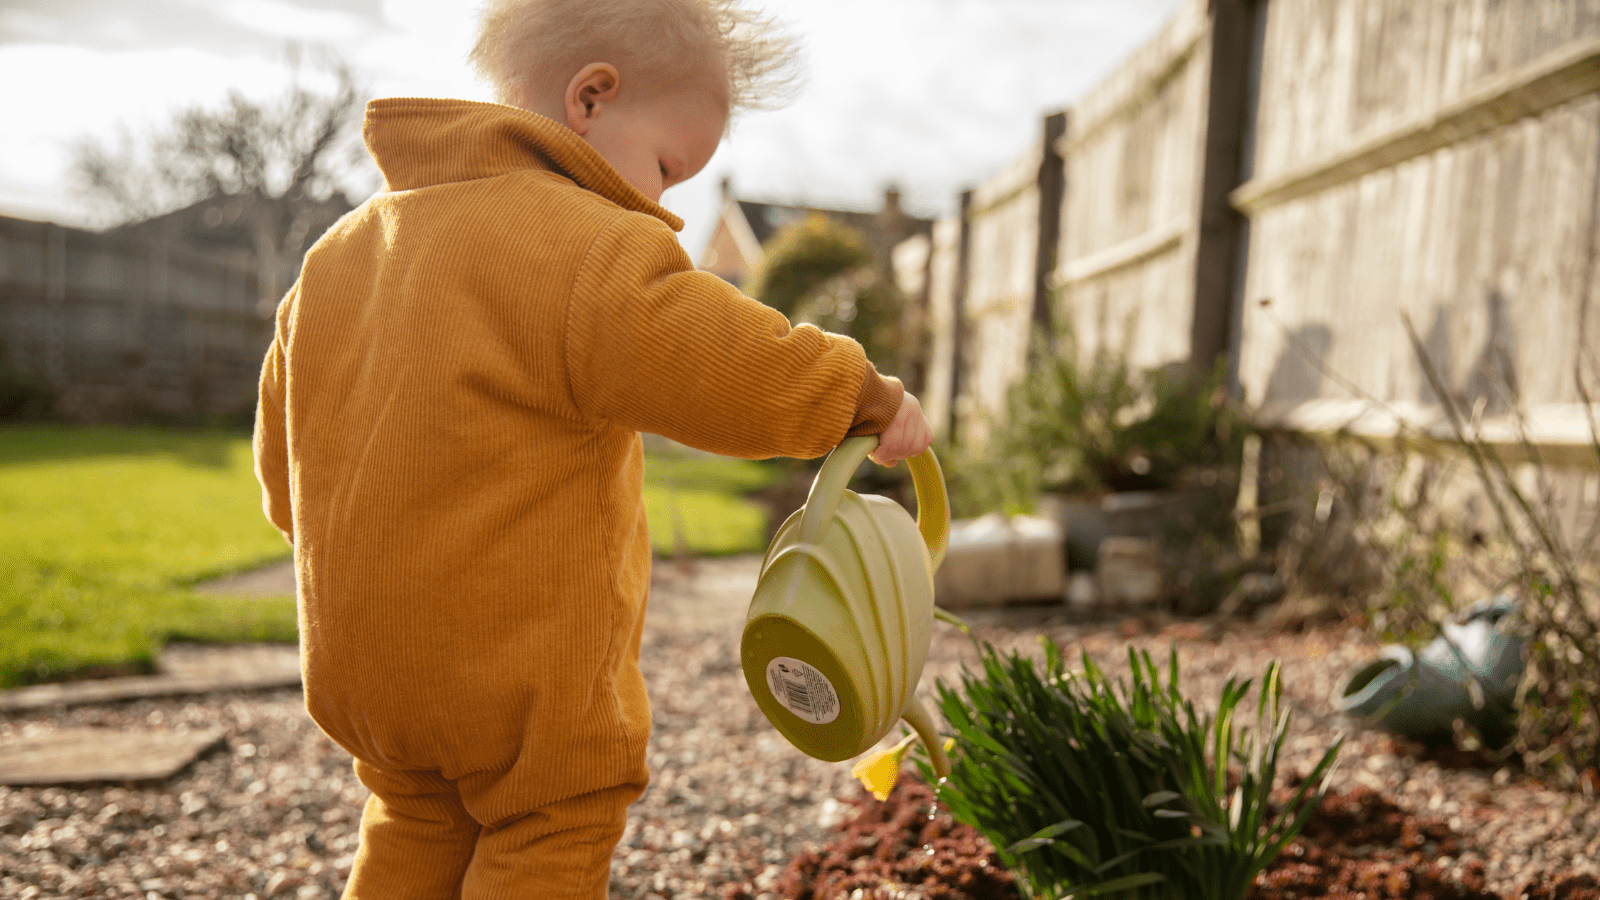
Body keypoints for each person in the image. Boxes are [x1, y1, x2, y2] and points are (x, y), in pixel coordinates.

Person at [251, 0, 934, 896]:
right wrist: (859, 398)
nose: (661, 203)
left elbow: (285, 467)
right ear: (591, 99)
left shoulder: (336, 255)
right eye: (664, 167)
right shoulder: (583, 246)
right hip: (511, 665)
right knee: (553, 813)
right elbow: (722, 363)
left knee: (417, 813)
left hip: (359, 658)